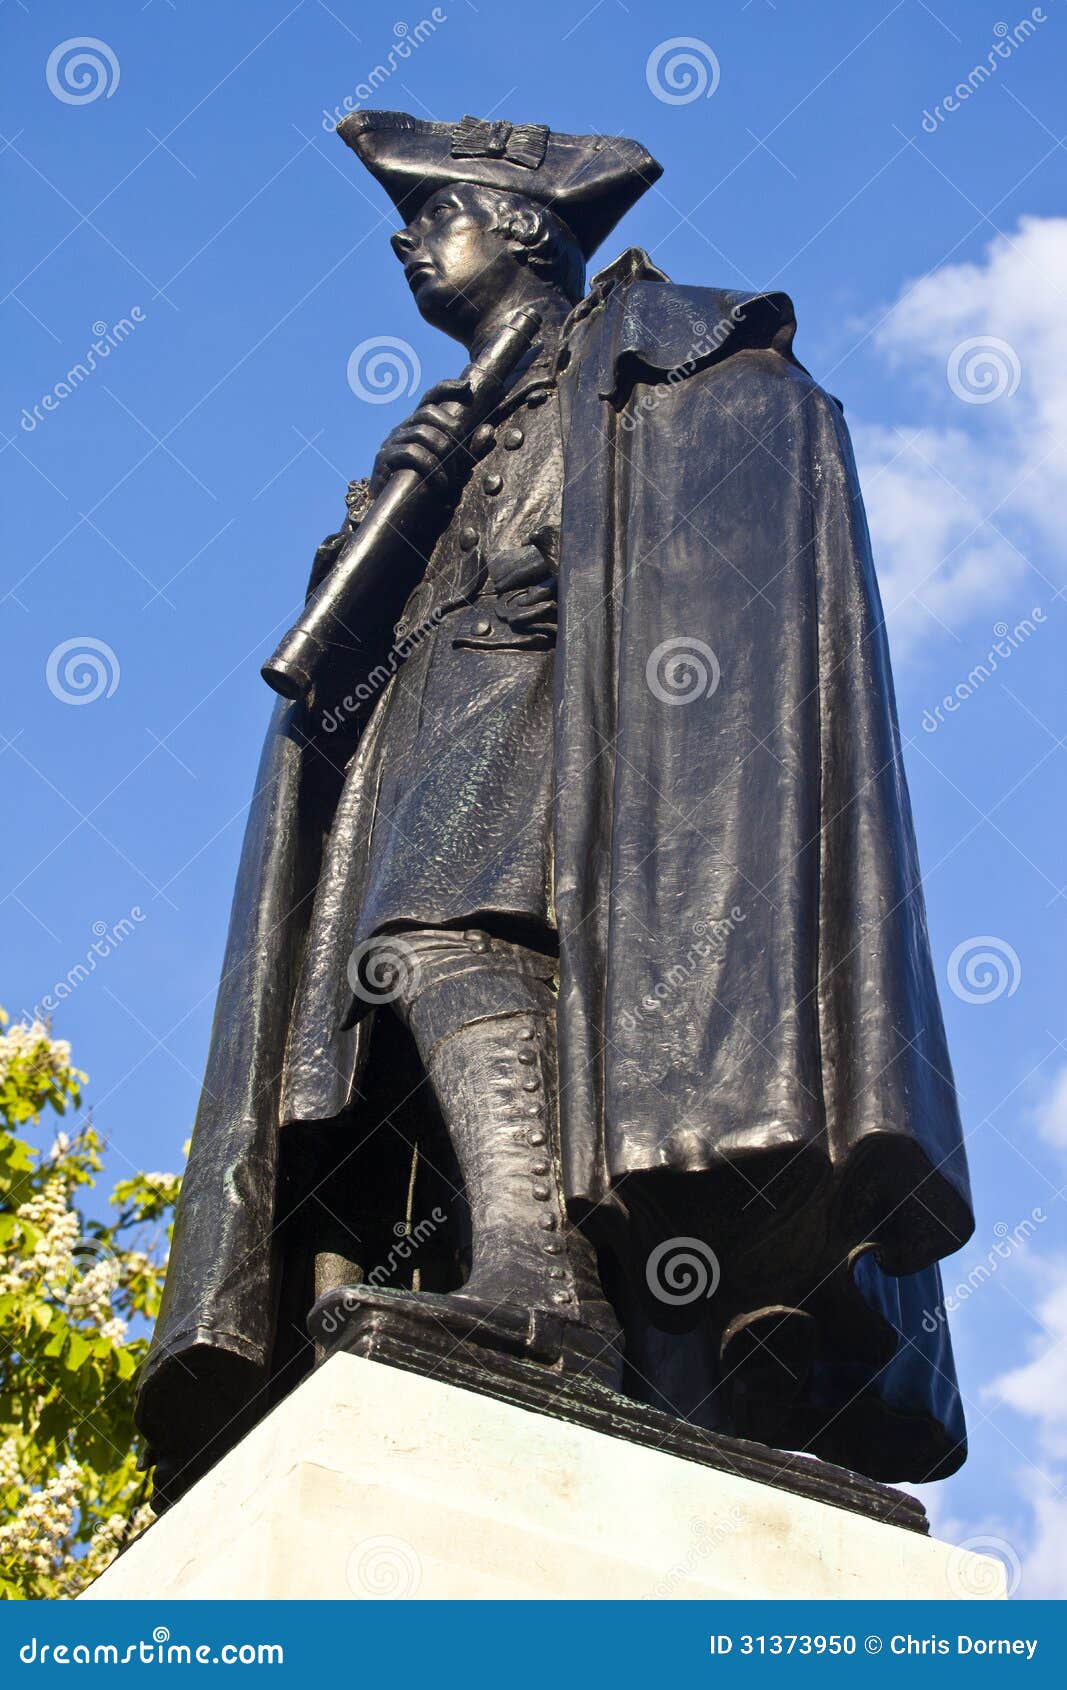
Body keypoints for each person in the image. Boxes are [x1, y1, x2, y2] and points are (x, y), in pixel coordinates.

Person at [137, 111, 974, 1507]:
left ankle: (547, 1277)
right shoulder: (443, 431)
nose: (412, 243)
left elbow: (721, 508)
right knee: (375, 1010)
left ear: (521, 232)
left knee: (443, 938)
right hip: (432, 728)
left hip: (571, 720)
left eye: (436, 215)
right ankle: (592, 1315)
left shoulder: (659, 358)